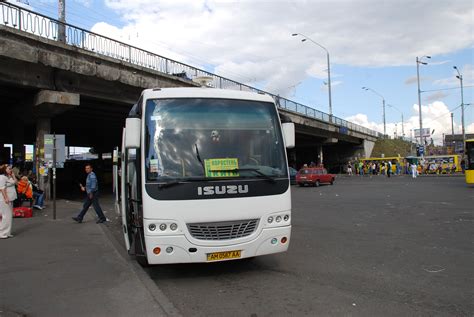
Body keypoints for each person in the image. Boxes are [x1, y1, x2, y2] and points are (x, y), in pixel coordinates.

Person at [0, 164, 17, 238]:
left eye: (11, 168)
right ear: (4, 169)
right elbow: (2, 188)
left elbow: (16, 182)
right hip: (4, 199)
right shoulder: (2, 177)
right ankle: (2, 233)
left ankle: (7, 232)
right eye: (9, 169)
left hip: (10, 198)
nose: (11, 170)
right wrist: (6, 198)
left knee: (9, 216)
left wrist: (13, 175)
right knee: (6, 216)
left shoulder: (8, 177)